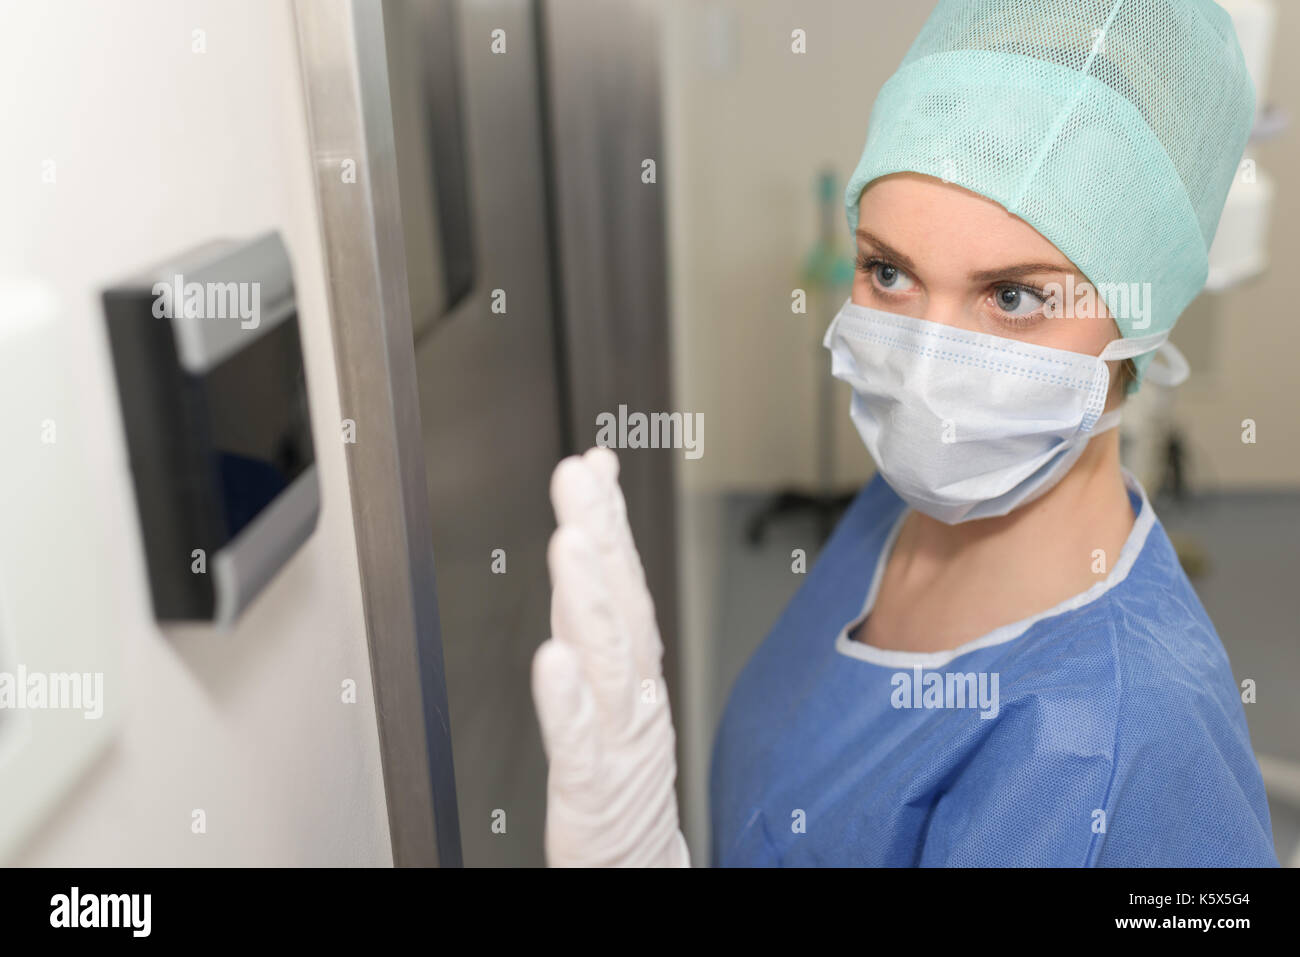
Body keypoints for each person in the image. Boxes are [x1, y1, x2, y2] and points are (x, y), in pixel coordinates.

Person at [530, 0, 1278, 866]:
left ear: (1141, 321)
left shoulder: (1119, 752)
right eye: (889, 272)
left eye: (1013, 297)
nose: (926, 372)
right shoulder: (901, 508)